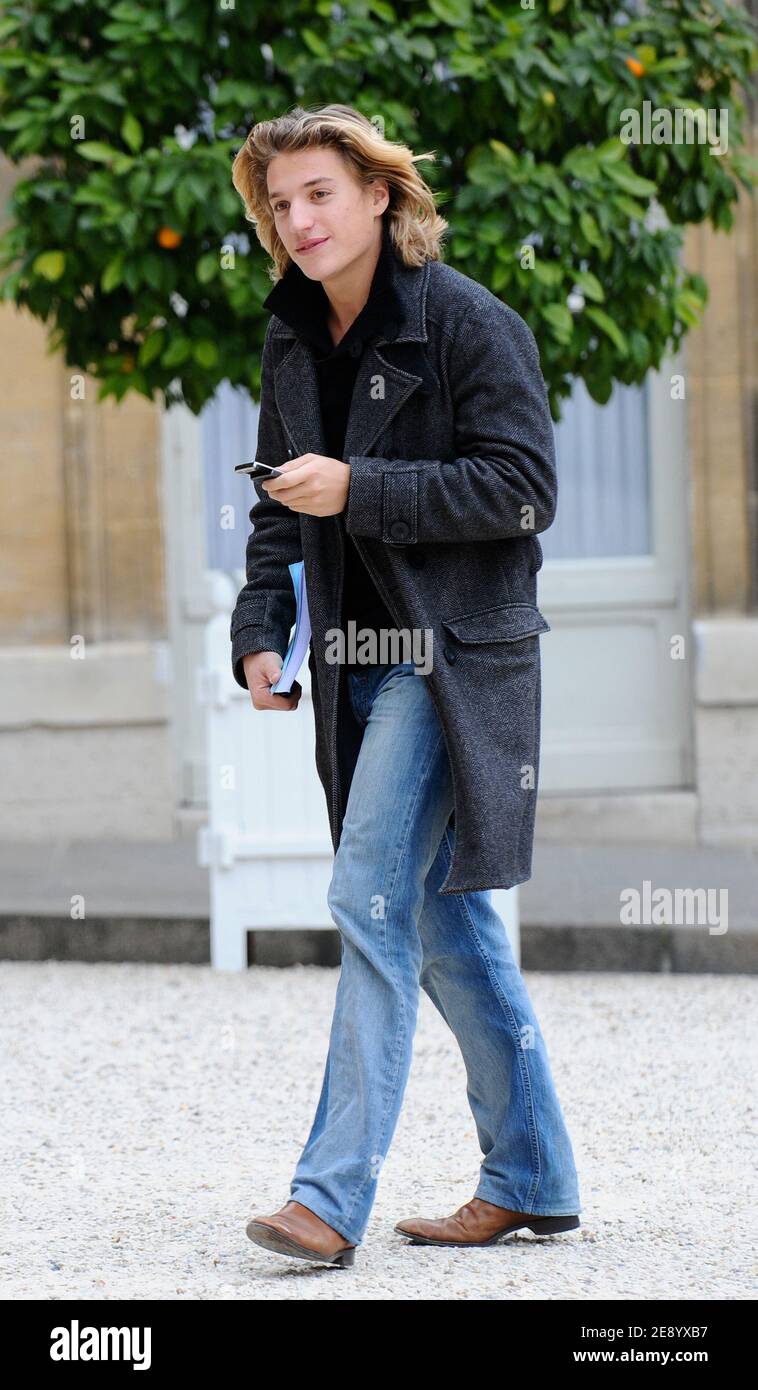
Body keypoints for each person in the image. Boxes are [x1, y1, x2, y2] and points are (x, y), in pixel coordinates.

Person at [229, 104, 581, 1269]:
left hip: (449, 659)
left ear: (380, 195)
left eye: (319, 193)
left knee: (367, 895)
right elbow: (278, 507)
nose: (298, 219)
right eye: (280, 204)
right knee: (441, 926)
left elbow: (523, 490)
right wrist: (260, 631)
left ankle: (326, 1200)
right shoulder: (289, 338)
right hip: (350, 671)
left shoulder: (471, 323)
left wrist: (364, 490)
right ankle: (529, 1174)